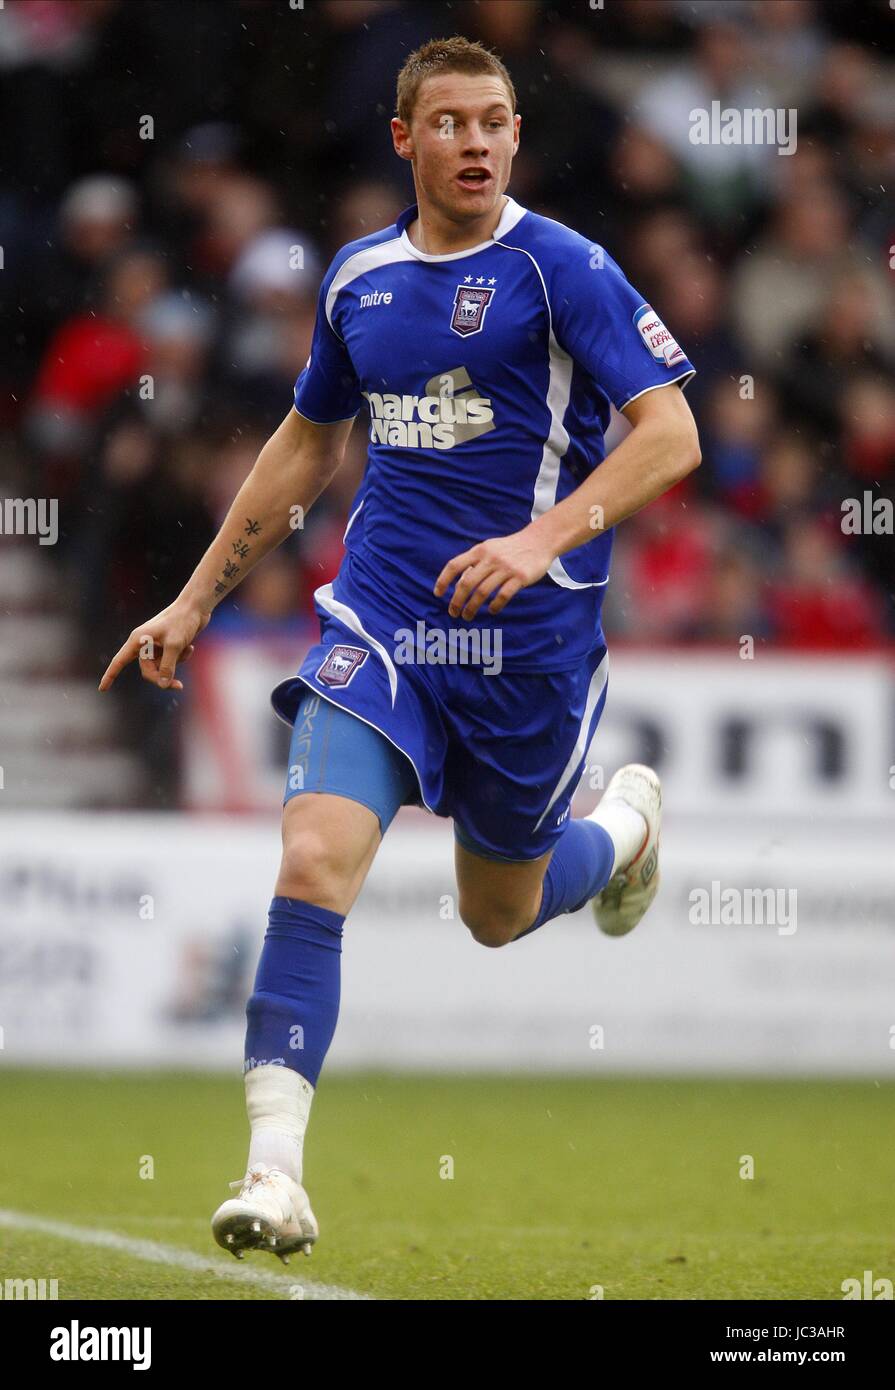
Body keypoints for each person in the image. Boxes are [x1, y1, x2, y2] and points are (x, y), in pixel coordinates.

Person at [99, 36, 700, 1263]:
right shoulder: (358, 279)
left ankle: (625, 829)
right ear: (403, 139)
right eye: (450, 122)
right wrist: (194, 600)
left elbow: (672, 434)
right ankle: (274, 1176)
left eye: (495, 121)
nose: (476, 142)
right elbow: (306, 445)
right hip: (379, 624)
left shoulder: (562, 269)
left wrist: (540, 538)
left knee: (498, 911)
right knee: (314, 859)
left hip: (525, 647)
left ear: (517, 136)